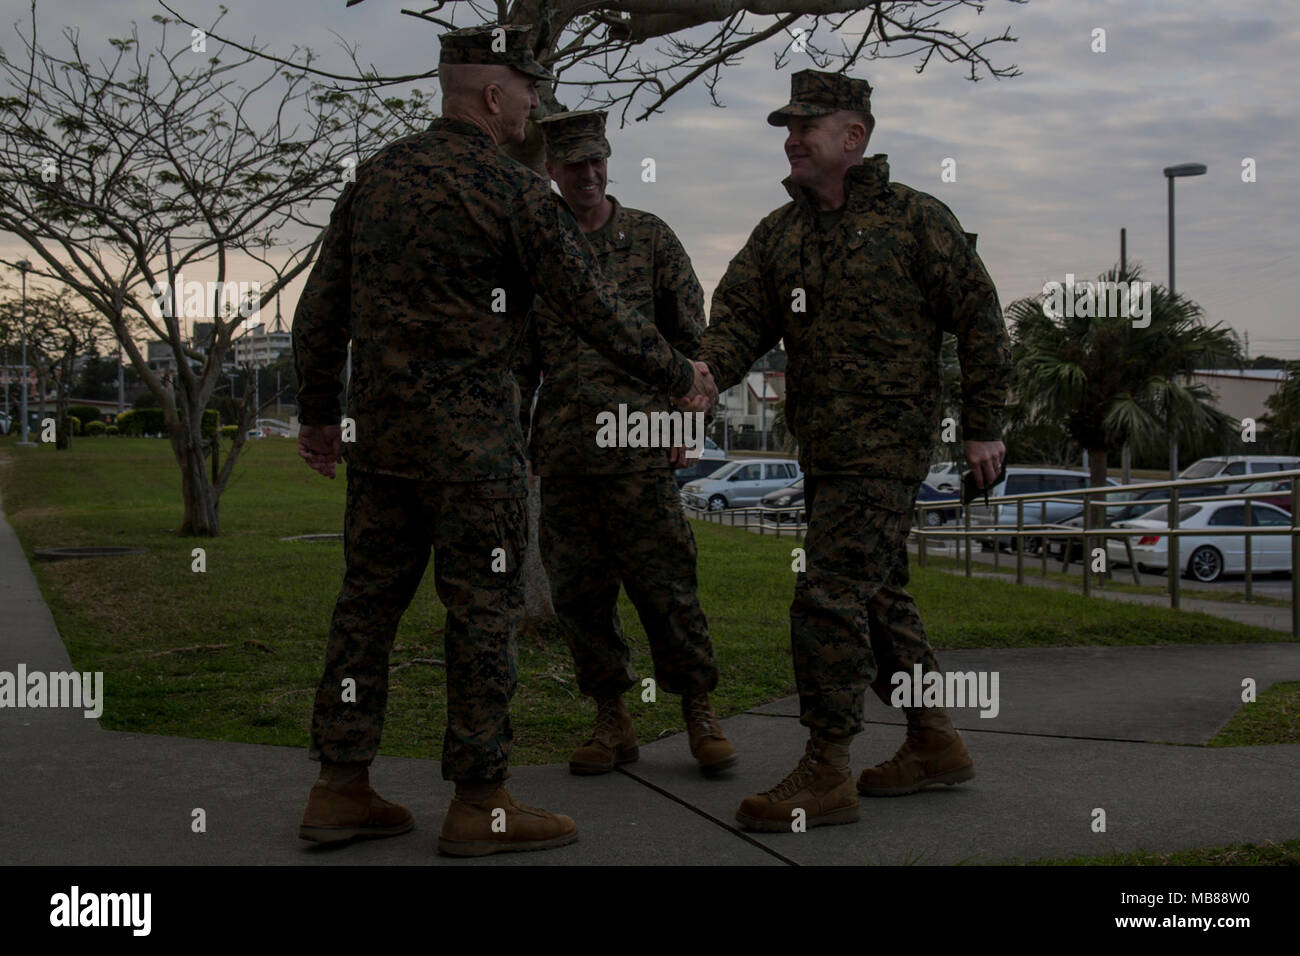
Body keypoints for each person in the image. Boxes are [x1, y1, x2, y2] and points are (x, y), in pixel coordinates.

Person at [291, 24, 717, 857]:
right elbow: (592, 307)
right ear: (495, 95)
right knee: (481, 619)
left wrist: (316, 414)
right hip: (474, 458)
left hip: (381, 452)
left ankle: (339, 787)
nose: (534, 106)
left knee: (364, 611)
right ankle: (480, 802)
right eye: (529, 90)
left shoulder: (375, 179)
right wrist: (680, 376)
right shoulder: (512, 191)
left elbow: (319, 309)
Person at [693, 69, 1011, 831]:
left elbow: (980, 320)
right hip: (827, 453)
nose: (792, 139)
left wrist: (983, 425)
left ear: (854, 137)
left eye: (807, 125)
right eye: (787, 127)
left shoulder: (914, 220)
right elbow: (737, 320)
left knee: (827, 595)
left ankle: (826, 770)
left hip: (887, 448)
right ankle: (934, 739)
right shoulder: (781, 233)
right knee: (876, 598)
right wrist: (703, 378)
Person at [517, 109, 736, 778]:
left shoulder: (649, 238)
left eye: (597, 160)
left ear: (608, 162)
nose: (587, 172)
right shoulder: (538, 248)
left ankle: (699, 710)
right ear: (551, 169)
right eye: (574, 163)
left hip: (643, 447)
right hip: (566, 450)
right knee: (581, 596)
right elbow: (520, 358)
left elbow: (695, 345)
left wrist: (686, 418)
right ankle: (611, 718)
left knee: (667, 586)